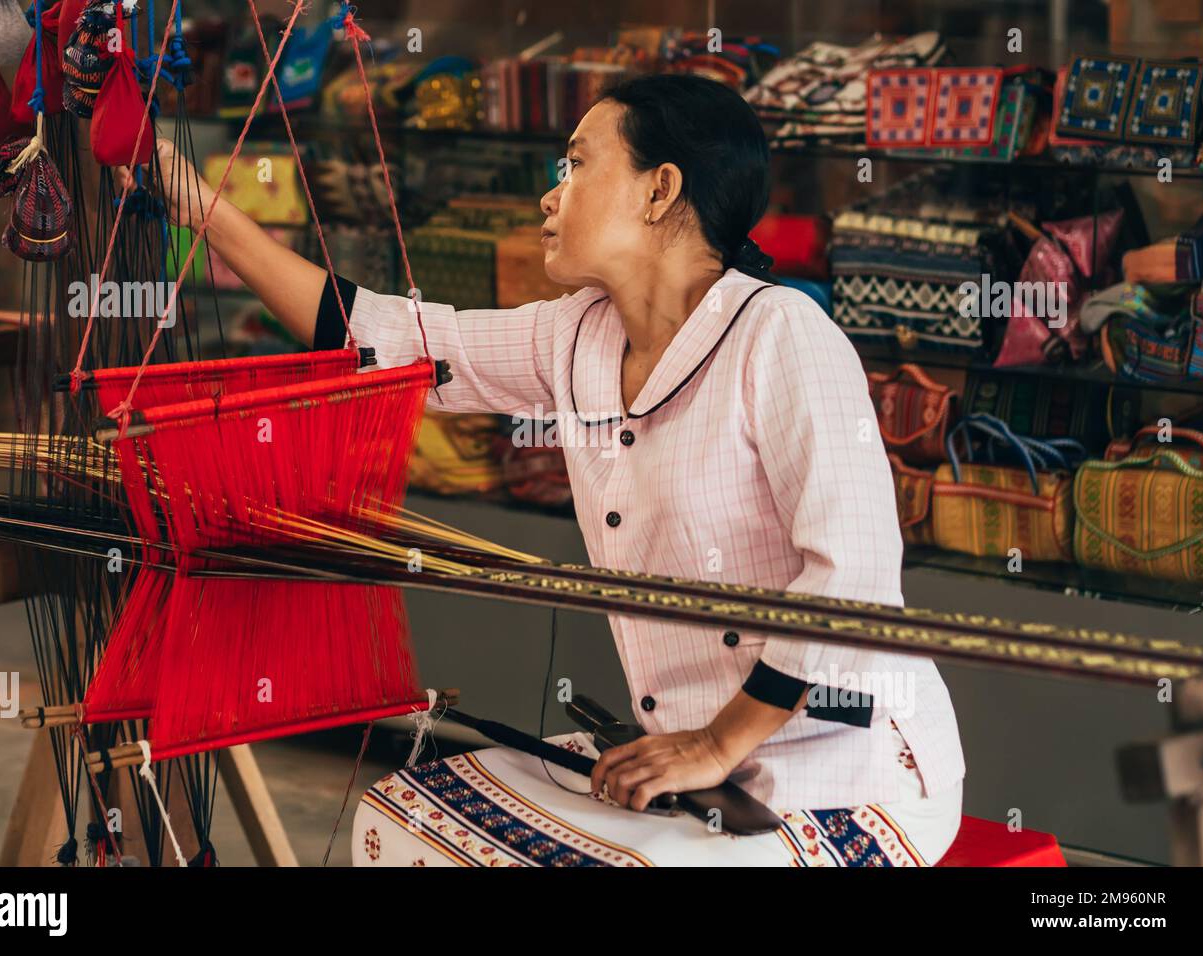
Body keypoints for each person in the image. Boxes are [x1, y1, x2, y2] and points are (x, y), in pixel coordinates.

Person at [143, 73, 965, 866]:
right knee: (401, 815)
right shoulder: (578, 335)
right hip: (683, 755)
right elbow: (383, 341)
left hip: (841, 771)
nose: (550, 193)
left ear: (659, 189)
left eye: (574, 165)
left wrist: (720, 743)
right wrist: (203, 209)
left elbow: (852, 580)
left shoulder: (780, 334)